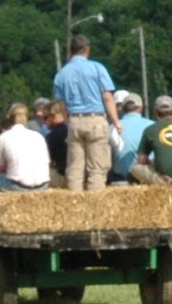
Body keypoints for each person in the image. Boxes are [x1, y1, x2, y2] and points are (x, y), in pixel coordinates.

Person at [52, 34, 121, 190]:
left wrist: (68, 121)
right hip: (95, 119)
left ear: (70, 51)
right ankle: (95, 207)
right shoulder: (97, 68)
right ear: (87, 50)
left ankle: (75, 206)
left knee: (75, 169)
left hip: (74, 120)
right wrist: (116, 122)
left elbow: (62, 104)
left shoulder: (62, 74)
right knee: (97, 168)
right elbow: (108, 97)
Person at [0, 110, 51, 220]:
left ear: (10, 120)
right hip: (43, 186)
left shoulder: (3, 137)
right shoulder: (38, 136)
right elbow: (47, 162)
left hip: (18, 186)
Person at [129, 95, 172, 186]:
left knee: (135, 169)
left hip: (166, 182)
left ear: (155, 112)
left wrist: (153, 164)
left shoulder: (150, 130)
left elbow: (142, 160)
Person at [109, 93, 154, 184]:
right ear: (141, 108)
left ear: (123, 109)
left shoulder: (112, 127)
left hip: (119, 179)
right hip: (147, 179)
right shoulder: (153, 125)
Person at [43, 99, 71, 191]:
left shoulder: (52, 136)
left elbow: (48, 161)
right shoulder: (72, 130)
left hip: (61, 176)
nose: (44, 122)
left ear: (53, 115)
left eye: (45, 117)